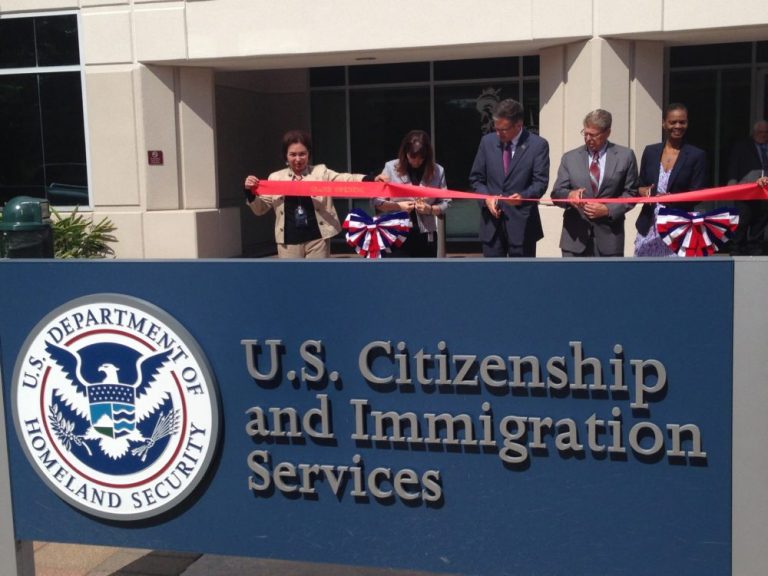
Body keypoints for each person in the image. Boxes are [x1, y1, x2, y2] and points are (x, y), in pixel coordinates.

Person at [244, 130, 377, 258]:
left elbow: (344, 179)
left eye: (302, 154)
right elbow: (260, 209)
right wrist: (250, 193)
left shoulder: (320, 172)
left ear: (309, 154)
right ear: (286, 155)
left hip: (317, 238)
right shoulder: (275, 178)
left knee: (318, 278)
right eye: (293, 154)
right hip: (288, 241)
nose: (298, 159)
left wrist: (369, 179)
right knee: (293, 279)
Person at [551, 109, 639, 257]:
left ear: (607, 133)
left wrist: (608, 210)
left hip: (609, 238)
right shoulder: (570, 158)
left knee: (607, 280)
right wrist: (569, 195)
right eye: (585, 133)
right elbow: (556, 193)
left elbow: (631, 193)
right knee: (573, 281)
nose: (587, 138)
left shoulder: (625, 156)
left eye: (593, 135)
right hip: (575, 238)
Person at [469, 98, 550, 257]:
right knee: (492, 278)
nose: (498, 133)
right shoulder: (487, 142)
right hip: (492, 225)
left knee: (521, 277)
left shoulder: (537, 145)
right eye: (496, 128)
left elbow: (540, 182)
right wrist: (487, 198)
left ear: (518, 125)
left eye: (503, 129)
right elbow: (476, 178)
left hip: (522, 225)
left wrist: (523, 197)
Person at [634, 103, 708, 257]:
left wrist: (671, 199)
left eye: (682, 122)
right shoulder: (650, 151)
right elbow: (639, 184)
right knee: (644, 275)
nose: (678, 126)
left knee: (675, 276)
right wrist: (643, 191)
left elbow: (698, 194)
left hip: (679, 227)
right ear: (664, 123)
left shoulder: (696, 155)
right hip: (649, 227)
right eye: (673, 122)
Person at [373, 130, 449, 257]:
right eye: (412, 157)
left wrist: (430, 209)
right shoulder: (390, 168)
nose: (416, 162)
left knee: (424, 275)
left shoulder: (438, 171)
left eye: (421, 158)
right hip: (395, 234)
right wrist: (398, 207)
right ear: (405, 153)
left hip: (426, 236)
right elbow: (375, 201)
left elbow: (446, 203)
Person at [727, 120, 768, 255]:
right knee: (742, 221)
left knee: (760, 220)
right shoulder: (742, 146)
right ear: (754, 133)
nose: (763, 135)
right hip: (745, 191)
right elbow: (734, 166)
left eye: (766, 132)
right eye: (760, 132)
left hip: (764, 192)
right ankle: (736, 248)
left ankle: (755, 248)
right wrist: (732, 185)